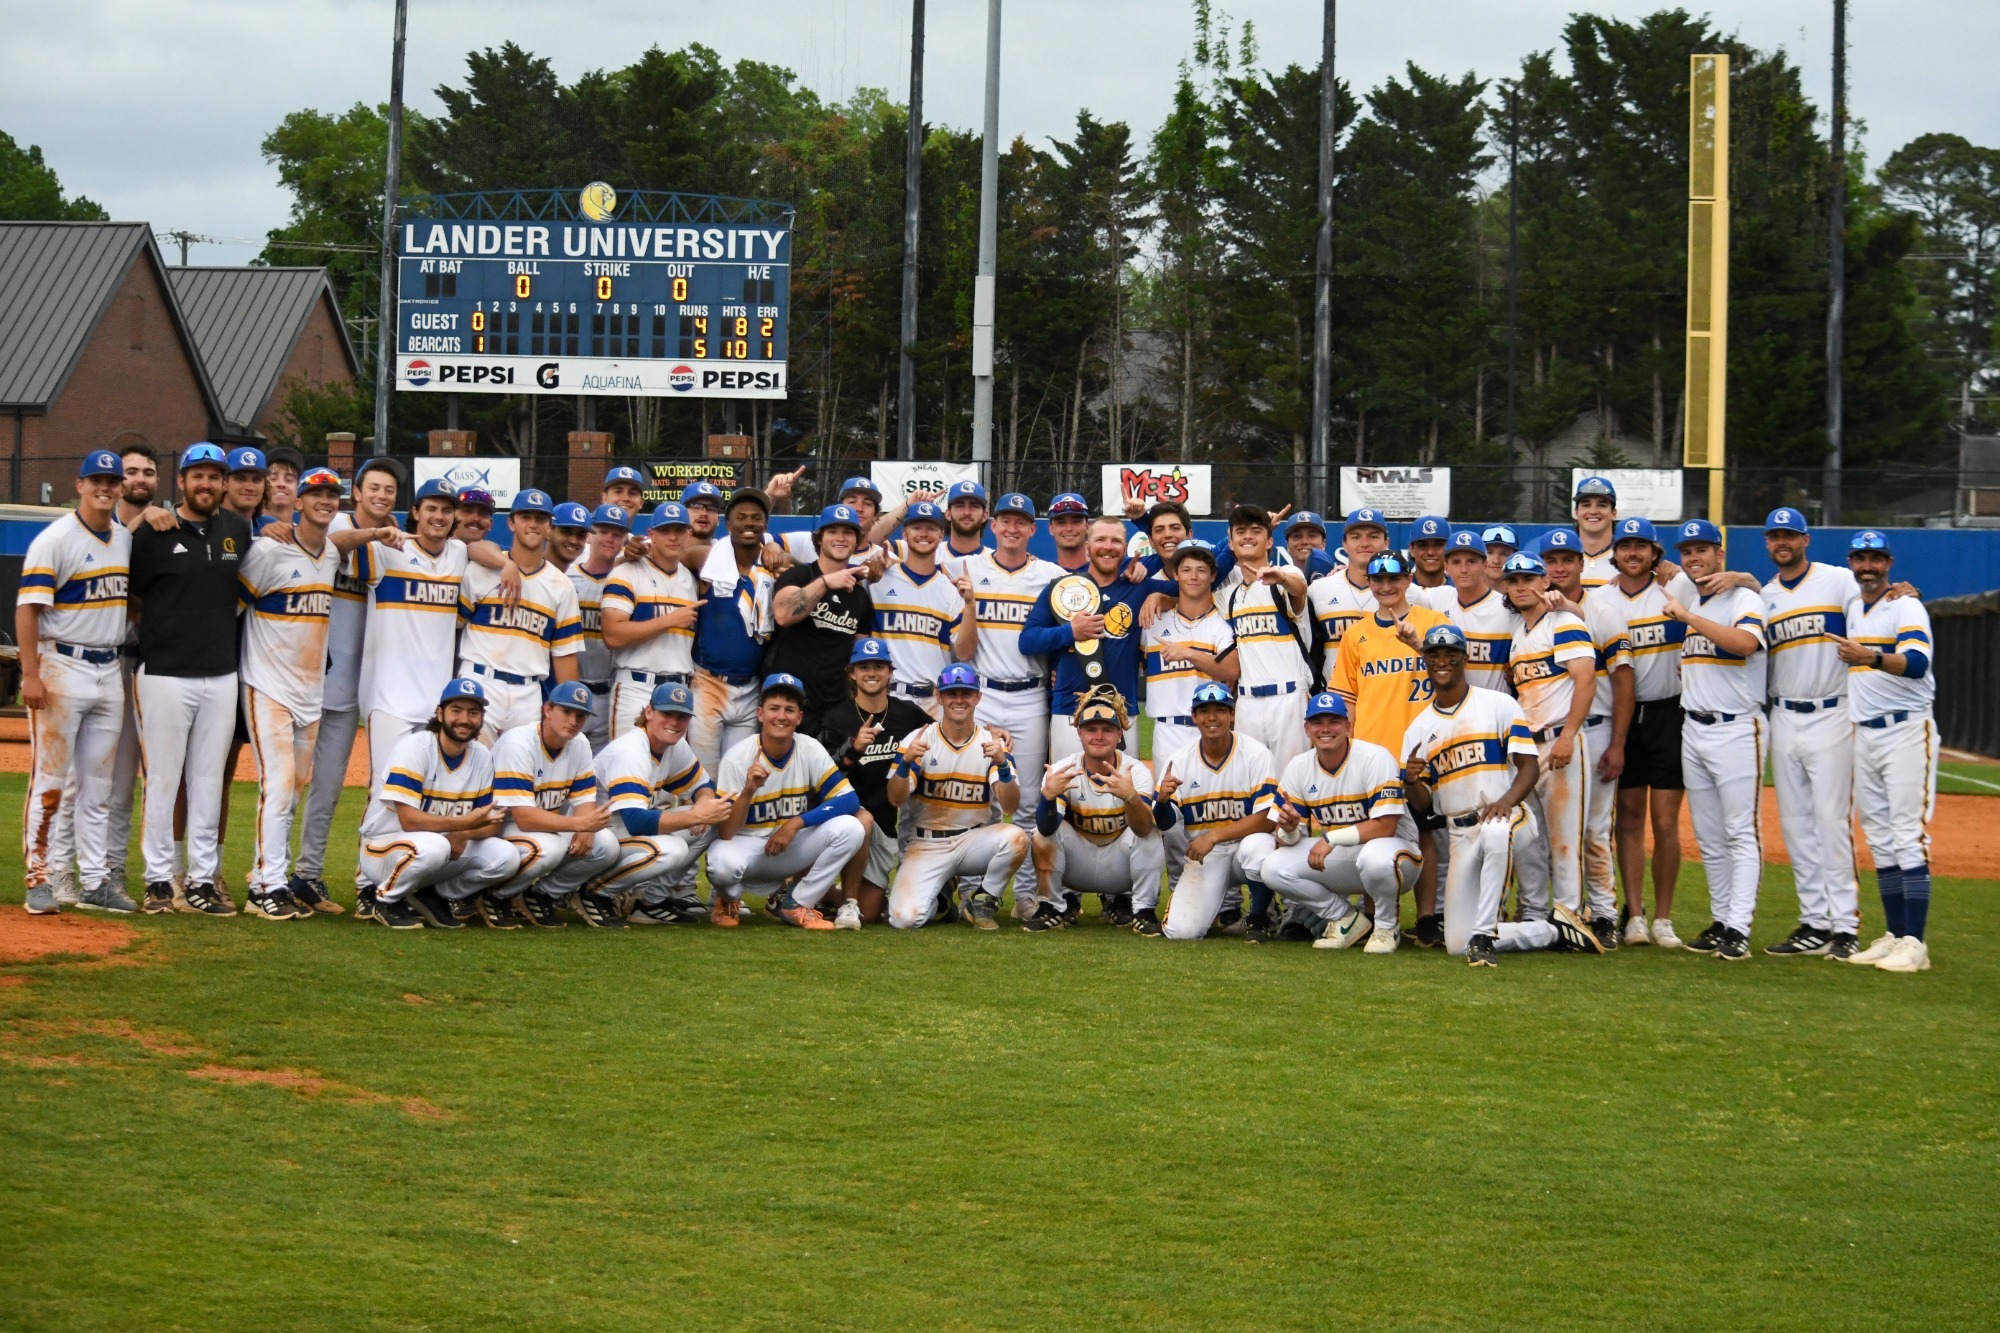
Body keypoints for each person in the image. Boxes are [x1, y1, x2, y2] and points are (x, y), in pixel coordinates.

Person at [1400, 624, 1600, 964]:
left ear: (1464, 659)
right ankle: (1552, 931)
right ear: (1426, 661)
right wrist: (1410, 781)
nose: (1442, 662)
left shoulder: (1497, 704)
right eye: (1434, 656)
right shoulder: (1419, 727)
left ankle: (1483, 937)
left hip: (1508, 816)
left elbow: (1528, 766)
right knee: (1456, 943)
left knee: (1494, 833)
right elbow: (1425, 804)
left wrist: (1507, 801)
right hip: (1460, 833)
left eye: (1450, 654)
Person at [126, 443, 251, 917]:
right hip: (164, 671)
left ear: (223, 483)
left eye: (214, 476)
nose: (206, 483)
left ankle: (201, 880)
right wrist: (162, 626)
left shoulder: (237, 529)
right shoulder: (155, 530)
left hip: (220, 673)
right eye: (197, 475)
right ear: (181, 482)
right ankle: (158, 880)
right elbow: (128, 593)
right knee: (162, 779)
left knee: (207, 781)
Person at [18, 452, 135, 915]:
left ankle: (94, 881)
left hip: (109, 668)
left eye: (112, 481)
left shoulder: (123, 538)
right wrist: (30, 673)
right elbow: (27, 609)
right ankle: (39, 878)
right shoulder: (56, 539)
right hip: (62, 664)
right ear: (80, 485)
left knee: (98, 786)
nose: (105, 488)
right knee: (49, 782)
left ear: (120, 487)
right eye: (96, 480)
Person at [235, 467, 349, 921]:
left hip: (309, 692)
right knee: (279, 787)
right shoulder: (269, 550)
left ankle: (267, 879)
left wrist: (380, 532)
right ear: (298, 502)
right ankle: (268, 886)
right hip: (267, 685)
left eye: (332, 495)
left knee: (293, 791)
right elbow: (232, 607)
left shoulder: (331, 555)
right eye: (315, 493)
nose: (325, 500)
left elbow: (344, 543)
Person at [296, 455, 404, 911]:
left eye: (389, 490)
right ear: (356, 493)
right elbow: (331, 544)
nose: (381, 495)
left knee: (327, 789)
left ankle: (306, 876)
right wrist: (376, 533)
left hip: (350, 687)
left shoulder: (394, 541)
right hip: (305, 680)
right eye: (373, 487)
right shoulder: (338, 524)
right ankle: (268, 876)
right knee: (288, 785)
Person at [1325, 551, 1450, 945]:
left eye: (1394, 578)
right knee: (1374, 834)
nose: (1386, 586)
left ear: (1408, 579)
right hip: (1373, 750)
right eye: (1377, 579)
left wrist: (1418, 645)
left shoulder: (1433, 622)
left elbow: (1449, 677)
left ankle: (1427, 917)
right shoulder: (1356, 634)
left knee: (1427, 833)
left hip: (1422, 748)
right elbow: (1346, 698)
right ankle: (1375, 915)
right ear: (1369, 583)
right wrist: (1348, 749)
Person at [1759, 507, 1864, 958]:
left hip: (1832, 711)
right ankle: (1814, 922)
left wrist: (1904, 591)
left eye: (1790, 535)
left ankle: (1846, 925)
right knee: (1796, 824)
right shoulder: (1763, 596)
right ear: (1767, 543)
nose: (1782, 542)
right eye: (1775, 536)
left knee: (1832, 822)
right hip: (1783, 714)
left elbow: (1877, 601)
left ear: (1806, 539)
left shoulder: (1838, 580)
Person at [1664, 519, 1768, 961]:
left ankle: (1739, 927)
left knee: (1740, 831)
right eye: (1687, 551)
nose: (1694, 557)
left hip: (1737, 726)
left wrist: (1690, 618)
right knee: (1708, 834)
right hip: (1695, 726)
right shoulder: (1694, 596)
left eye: (1702, 550)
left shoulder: (1744, 598)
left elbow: (1745, 644)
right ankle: (1722, 919)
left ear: (1719, 554)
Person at [1834, 530, 1938, 974]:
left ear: (1889, 563)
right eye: (1861, 558)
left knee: (1907, 835)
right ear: (1851, 562)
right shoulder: (1854, 605)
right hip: (1867, 732)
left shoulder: (1905, 605)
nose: (1868, 566)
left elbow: (1917, 663)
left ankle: (1915, 943)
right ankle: (1895, 935)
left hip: (1906, 728)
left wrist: (1870, 656)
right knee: (1878, 836)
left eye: (1876, 558)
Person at [1259, 690, 1422, 952]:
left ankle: (1385, 926)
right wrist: (1288, 830)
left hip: (1398, 856)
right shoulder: (1298, 767)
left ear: (1347, 726)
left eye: (1333, 721)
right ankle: (1345, 918)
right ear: (1307, 729)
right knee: (1272, 867)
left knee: (1375, 856)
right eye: (1317, 722)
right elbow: (1285, 839)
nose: (1325, 729)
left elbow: (1386, 826)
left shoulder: (1375, 757)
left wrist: (1330, 839)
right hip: (1347, 853)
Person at [1537, 529, 1636, 949]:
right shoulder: (1534, 613)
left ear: (1582, 563)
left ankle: (1605, 913)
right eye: (1552, 560)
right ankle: (1556, 913)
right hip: (1549, 736)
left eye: (1567, 559)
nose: (1560, 567)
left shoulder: (1603, 610)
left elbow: (1624, 679)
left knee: (1595, 830)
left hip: (1595, 730)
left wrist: (1618, 743)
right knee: (1548, 832)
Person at [707, 672, 868, 930]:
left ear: (799, 717)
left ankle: (798, 903)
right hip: (746, 848)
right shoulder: (737, 758)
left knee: (852, 828)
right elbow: (725, 832)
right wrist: (748, 790)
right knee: (721, 864)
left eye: (789, 709)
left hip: (790, 847)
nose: (781, 716)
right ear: (760, 714)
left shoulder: (809, 748)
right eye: (774, 708)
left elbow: (849, 800)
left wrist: (795, 824)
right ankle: (727, 899)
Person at [361, 678, 522, 930]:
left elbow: (491, 824)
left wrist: (464, 832)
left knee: (506, 857)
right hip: (384, 848)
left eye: (473, 712)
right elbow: (409, 821)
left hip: (436, 849)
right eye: (456, 710)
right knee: (436, 845)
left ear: (481, 718)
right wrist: (463, 824)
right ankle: (386, 900)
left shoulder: (481, 756)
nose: (464, 719)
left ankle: (435, 896)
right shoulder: (415, 748)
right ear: (440, 713)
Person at [883, 664, 1027, 930]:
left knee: (1016, 838)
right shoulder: (919, 739)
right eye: (951, 693)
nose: (958, 700)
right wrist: (904, 764)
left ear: (978, 697)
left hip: (973, 841)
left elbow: (1010, 805)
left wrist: (1003, 764)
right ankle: (942, 898)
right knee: (904, 919)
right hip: (926, 843)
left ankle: (982, 900)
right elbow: (895, 799)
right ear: (939, 697)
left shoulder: (991, 744)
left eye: (966, 693)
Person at [1607, 517, 1695, 947]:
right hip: (1622, 718)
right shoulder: (1602, 598)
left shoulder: (1678, 589)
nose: (1633, 553)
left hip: (1668, 713)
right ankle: (1635, 915)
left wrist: (1739, 576)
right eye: (1625, 545)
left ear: (1655, 553)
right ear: (1614, 552)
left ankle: (1663, 917)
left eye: (1641, 546)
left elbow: (1739, 588)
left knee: (1664, 821)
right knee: (1627, 820)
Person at [1501, 548, 1598, 931]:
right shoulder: (1518, 633)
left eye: (1528, 578)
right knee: (1528, 836)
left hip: (1559, 740)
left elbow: (1586, 681)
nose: (1520, 586)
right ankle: (1534, 913)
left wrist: (1569, 735)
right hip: (1528, 749)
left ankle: (1570, 916)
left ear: (1545, 581)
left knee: (1564, 839)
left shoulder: (1563, 622)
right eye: (1513, 580)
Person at [1020, 516, 1172, 760]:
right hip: (1069, 713)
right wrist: (1070, 632)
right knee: (1067, 784)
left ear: (1125, 548)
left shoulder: (1140, 587)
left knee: (1121, 784)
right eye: (1100, 539)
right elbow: (1028, 641)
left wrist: (1158, 597)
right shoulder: (1062, 588)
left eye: (1116, 541)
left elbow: (1198, 584)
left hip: (1122, 713)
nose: (1108, 547)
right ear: (1087, 546)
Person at [588, 681, 735, 927]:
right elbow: (636, 822)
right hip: (595, 838)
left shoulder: (673, 746)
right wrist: (697, 816)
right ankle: (595, 892)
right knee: (672, 849)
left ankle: (649, 902)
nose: (674, 722)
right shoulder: (631, 751)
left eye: (682, 717)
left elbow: (704, 785)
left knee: (711, 821)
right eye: (667, 713)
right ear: (649, 712)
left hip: (619, 833)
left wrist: (704, 804)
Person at [482, 682, 624, 929]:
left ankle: (541, 895)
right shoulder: (518, 744)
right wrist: (581, 824)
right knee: (550, 847)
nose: (573, 721)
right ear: (547, 710)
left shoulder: (579, 743)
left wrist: (587, 828)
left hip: (540, 827)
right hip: (499, 830)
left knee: (606, 845)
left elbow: (584, 800)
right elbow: (525, 818)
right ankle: (495, 895)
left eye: (580, 715)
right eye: (566, 712)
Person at [1027, 686, 1165, 931]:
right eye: (1091, 729)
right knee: (1040, 835)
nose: (1099, 736)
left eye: (1107, 730)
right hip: (1077, 865)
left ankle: (1143, 909)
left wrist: (1131, 797)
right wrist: (1048, 798)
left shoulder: (1135, 771)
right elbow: (1046, 830)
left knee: (1152, 830)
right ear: (1079, 733)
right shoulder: (1062, 769)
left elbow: (1144, 830)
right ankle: (1052, 906)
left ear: (1120, 734)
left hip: (1120, 867)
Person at [820, 638, 933, 928]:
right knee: (861, 820)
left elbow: (944, 734)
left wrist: (992, 732)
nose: (871, 672)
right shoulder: (837, 718)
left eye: (879, 666)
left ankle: (827, 895)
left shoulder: (907, 714)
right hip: (843, 819)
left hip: (884, 824)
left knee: (869, 915)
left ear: (890, 672)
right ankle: (817, 889)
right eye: (864, 666)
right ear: (852, 673)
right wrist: (852, 750)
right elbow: (822, 776)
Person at [1152, 683, 1279, 940]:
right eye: (1204, 711)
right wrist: (1163, 802)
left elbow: (1267, 819)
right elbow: (1165, 825)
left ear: (1232, 714)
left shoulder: (1256, 754)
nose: (1212, 717)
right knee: (1181, 932)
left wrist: (1213, 835)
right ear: (1194, 716)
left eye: (1220, 710)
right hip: (1206, 856)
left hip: (1243, 847)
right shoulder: (1179, 761)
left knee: (1259, 848)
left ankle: (1260, 917)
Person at [456, 488, 583, 742]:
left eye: (541, 518)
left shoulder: (562, 585)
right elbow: (454, 627)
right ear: (511, 523)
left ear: (550, 528)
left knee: (520, 766)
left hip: (528, 691)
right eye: (526, 517)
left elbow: (564, 656)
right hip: (481, 679)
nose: (533, 524)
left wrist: (568, 708)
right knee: (473, 763)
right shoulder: (482, 569)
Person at [690, 489, 777, 778]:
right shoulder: (707, 557)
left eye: (756, 517)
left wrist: (774, 547)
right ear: (728, 524)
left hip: (750, 688)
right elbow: (668, 553)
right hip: (709, 682)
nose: (749, 522)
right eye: (741, 517)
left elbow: (807, 569)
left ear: (766, 524)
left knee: (737, 776)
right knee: (703, 777)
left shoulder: (772, 563)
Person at [1217, 505, 1311, 772]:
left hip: (1289, 697)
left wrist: (1279, 576)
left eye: (1256, 531)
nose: (1248, 536)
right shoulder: (1229, 595)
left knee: (1291, 783)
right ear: (1231, 543)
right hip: (1247, 702)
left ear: (1269, 541)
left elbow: (1299, 586)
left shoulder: (1286, 576)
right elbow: (1197, 582)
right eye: (1240, 532)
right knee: (1250, 782)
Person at [768, 503, 874, 732]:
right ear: (819, 538)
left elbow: (859, 658)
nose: (841, 538)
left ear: (857, 540)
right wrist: (825, 582)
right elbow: (783, 615)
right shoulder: (799, 575)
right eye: (832, 531)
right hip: (790, 701)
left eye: (848, 532)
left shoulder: (860, 596)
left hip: (835, 707)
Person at [601, 500, 699, 736]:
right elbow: (612, 635)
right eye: (665, 530)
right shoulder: (625, 572)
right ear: (651, 535)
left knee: (669, 761)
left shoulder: (691, 579)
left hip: (678, 689)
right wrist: (669, 620)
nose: (673, 537)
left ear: (689, 535)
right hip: (636, 687)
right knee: (628, 758)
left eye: (679, 530)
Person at [870, 499, 975, 715]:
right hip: (888, 695)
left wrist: (970, 605)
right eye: (916, 527)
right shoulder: (879, 579)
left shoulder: (950, 589)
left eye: (931, 528)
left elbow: (964, 653)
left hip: (933, 700)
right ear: (904, 534)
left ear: (941, 535)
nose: (924, 534)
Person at [1141, 541, 1237, 769]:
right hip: (1167, 729)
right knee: (1167, 791)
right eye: (1186, 570)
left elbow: (1231, 669)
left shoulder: (1222, 623)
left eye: (1201, 570)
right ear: (1175, 574)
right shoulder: (1153, 620)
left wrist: (1187, 653)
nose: (1193, 576)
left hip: (1210, 728)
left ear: (1213, 576)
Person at [562, 502, 630, 750]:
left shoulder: (628, 581)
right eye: (603, 531)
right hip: (568, 688)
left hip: (608, 692)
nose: (610, 538)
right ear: (590, 535)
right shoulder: (567, 577)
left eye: (617, 534)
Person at [1410, 530, 1513, 691]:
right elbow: (1394, 588)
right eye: (1456, 562)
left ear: (1484, 565)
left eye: (1471, 562)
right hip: (1448, 703)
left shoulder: (1506, 607)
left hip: (1494, 704)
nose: (1463, 569)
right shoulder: (1436, 597)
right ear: (1446, 567)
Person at [1305, 508, 1393, 682]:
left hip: (1385, 691)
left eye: (1373, 536)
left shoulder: (1408, 593)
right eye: (1356, 537)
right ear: (1344, 544)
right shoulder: (1319, 589)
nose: (1364, 543)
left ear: (1386, 542)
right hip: (1334, 692)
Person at [1572, 475, 1620, 587]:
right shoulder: (1561, 561)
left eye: (1601, 505)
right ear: (1576, 512)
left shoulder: (1627, 560)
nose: (1593, 511)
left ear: (1614, 513)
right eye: (1586, 505)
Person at [939, 479, 992, 572]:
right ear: (948, 514)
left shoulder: (995, 561)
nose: (967, 512)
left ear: (985, 515)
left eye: (974, 506)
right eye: (960, 505)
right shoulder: (931, 555)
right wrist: (910, 505)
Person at [1046, 492, 1093, 572]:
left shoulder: (1104, 572)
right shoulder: (1044, 575)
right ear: (1051, 529)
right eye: (1061, 522)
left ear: (1087, 527)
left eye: (1076, 521)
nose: (1069, 528)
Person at [1407, 514, 1451, 590]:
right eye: (1423, 545)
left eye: (1438, 545)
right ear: (1411, 550)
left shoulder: (1459, 591)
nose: (1430, 552)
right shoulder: (1401, 589)